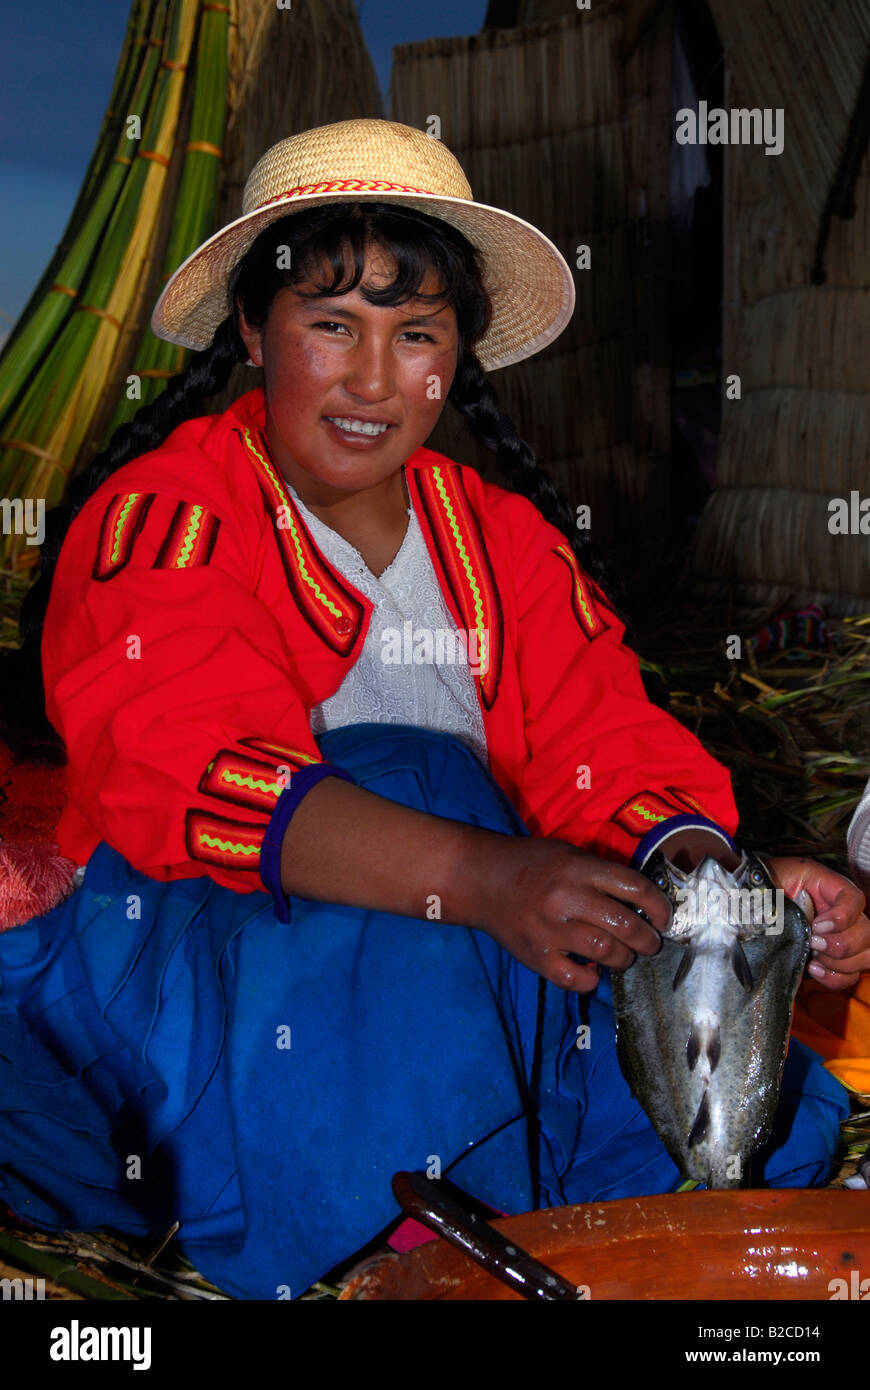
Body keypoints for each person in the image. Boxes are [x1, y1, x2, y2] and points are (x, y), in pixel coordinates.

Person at [0, 119, 866, 1300]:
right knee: (416, 776)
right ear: (253, 329)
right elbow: (188, 761)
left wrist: (724, 886)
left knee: (764, 1102)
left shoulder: (502, 543)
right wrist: (490, 877)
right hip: (189, 987)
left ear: (457, 354)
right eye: (331, 325)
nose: (373, 379)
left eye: (416, 334)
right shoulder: (168, 516)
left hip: (462, 973)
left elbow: (600, 742)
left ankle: (564, 1228)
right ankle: (404, 1252)